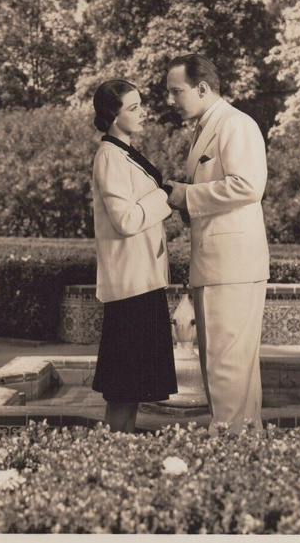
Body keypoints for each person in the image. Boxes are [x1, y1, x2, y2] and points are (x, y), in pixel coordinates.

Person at [165, 54, 269, 434]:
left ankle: (226, 446)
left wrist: (188, 196)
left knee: (226, 363)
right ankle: (245, 443)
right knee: (231, 364)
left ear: (203, 88)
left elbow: (248, 186)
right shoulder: (208, 126)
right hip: (218, 263)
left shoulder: (236, 124)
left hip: (232, 265)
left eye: (176, 91)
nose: (171, 100)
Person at [90, 78, 178, 432]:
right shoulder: (110, 157)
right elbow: (126, 220)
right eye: (134, 108)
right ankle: (112, 456)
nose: (144, 113)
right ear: (113, 115)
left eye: (142, 105)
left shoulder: (123, 152)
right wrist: (164, 197)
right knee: (123, 388)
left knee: (133, 387)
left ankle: (121, 455)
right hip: (130, 287)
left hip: (142, 282)